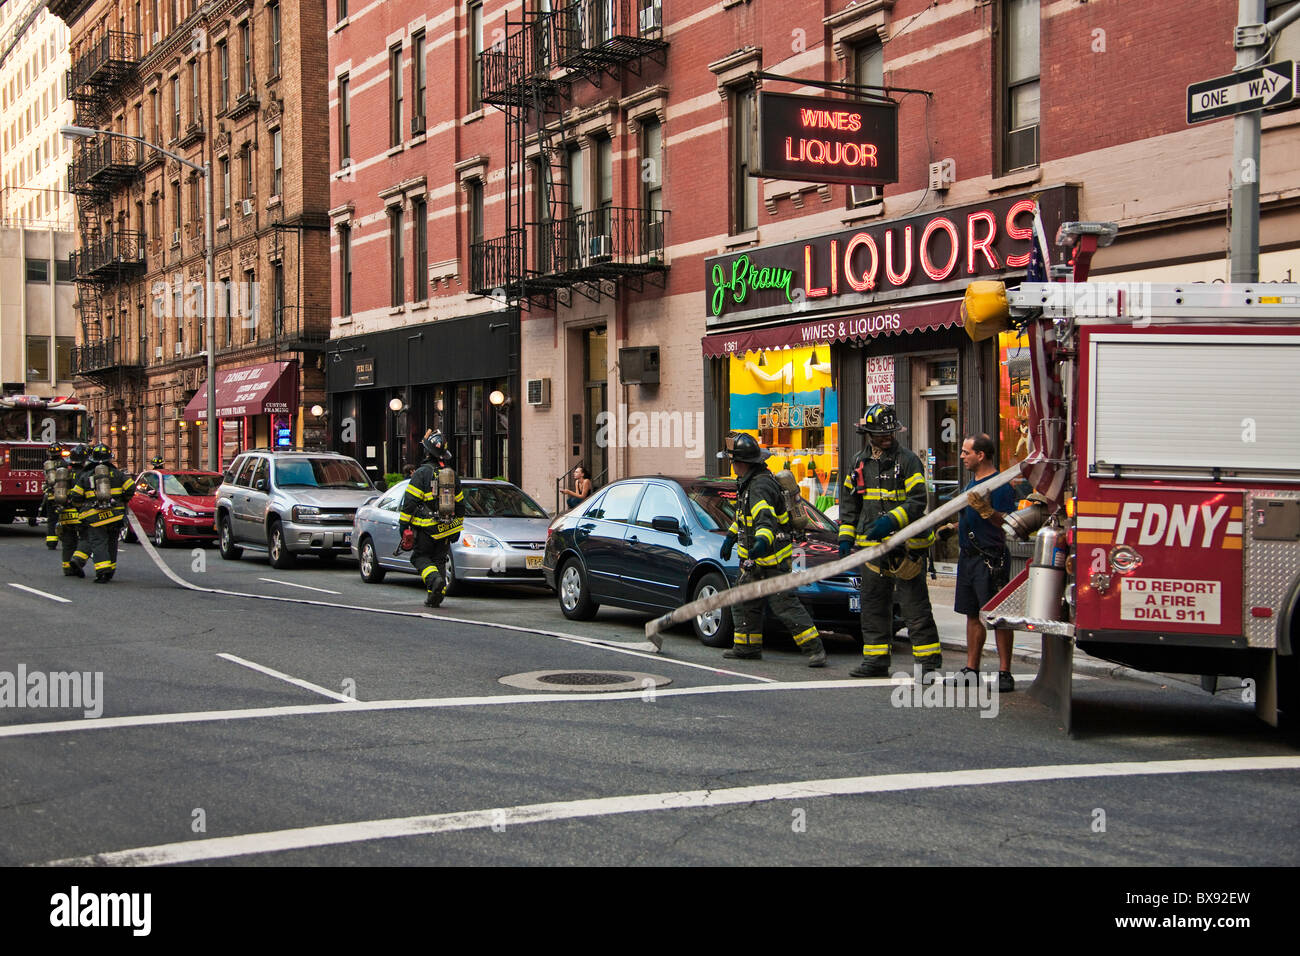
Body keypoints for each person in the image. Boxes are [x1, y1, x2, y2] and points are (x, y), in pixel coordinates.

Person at [838, 403, 942, 681]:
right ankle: (875, 660)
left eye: (889, 433)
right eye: (880, 434)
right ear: (868, 434)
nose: (886, 438)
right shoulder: (858, 463)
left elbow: (918, 501)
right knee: (873, 606)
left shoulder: (908, 461)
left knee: (914, 606)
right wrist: (846, 537)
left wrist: (891, 522)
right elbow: (850, 504)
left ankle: (928, 664)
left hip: (907, 548)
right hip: (872, 551)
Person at [718, 433, 827, 667]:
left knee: (785, 606)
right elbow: (744, 517)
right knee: (743, 602)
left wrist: (760, 544)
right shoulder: (749, 482)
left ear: (742, 463)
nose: (732, 465)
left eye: (733, 461)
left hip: (772, 561)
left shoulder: (760, 486)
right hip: (756, 561)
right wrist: (730, 536)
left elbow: (764, 521)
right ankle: (746, 647)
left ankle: (815, 649)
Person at [945, 434, 1018, 693]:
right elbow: (971, 517)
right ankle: (971, 669)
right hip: (969, 557)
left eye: (966, 452)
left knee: (998, 617)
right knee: (972, 613)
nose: (962, 456)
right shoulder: (970, 485)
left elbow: (1009, 523)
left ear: (981, 455)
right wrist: (953, 527)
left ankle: (1005, 672)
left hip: (991, 558)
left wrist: (989, 512)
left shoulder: (999, 485)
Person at [399, 429, 464, 607]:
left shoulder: (421, 473)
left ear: (427, 452)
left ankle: (435, 581)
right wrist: (456, 528)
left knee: (419, 558)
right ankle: (435, 596)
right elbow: (460, 505)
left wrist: (403, 526)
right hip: (445, 529)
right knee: (439, 560)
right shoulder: (452, 474)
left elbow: (410, 503)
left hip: (425, 528)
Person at [69, 442, 134, 583]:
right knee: (112, 544)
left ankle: (102, 572)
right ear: (110, 458)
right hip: (115, 515)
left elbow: (75, 496)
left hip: (94, 517)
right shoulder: (117, 473)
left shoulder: (86, 475)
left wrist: (82, 507)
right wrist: (123, 500)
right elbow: (130, 487)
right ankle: (110, 571)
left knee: (98, 543)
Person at [60, 443, 91, 576]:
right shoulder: (85, 475)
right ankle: (77, 561)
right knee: (86, 538)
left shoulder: (64, 472)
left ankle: (67, 568)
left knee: (68, 542)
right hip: (79, 512)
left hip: (65, 513)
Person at [41, 442, 66, 549]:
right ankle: (68, 539)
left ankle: (51, 542)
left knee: (52, 519)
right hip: (64, 495)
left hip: (51, 495)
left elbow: (47, 479)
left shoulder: (48, 465)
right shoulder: (65, 464)